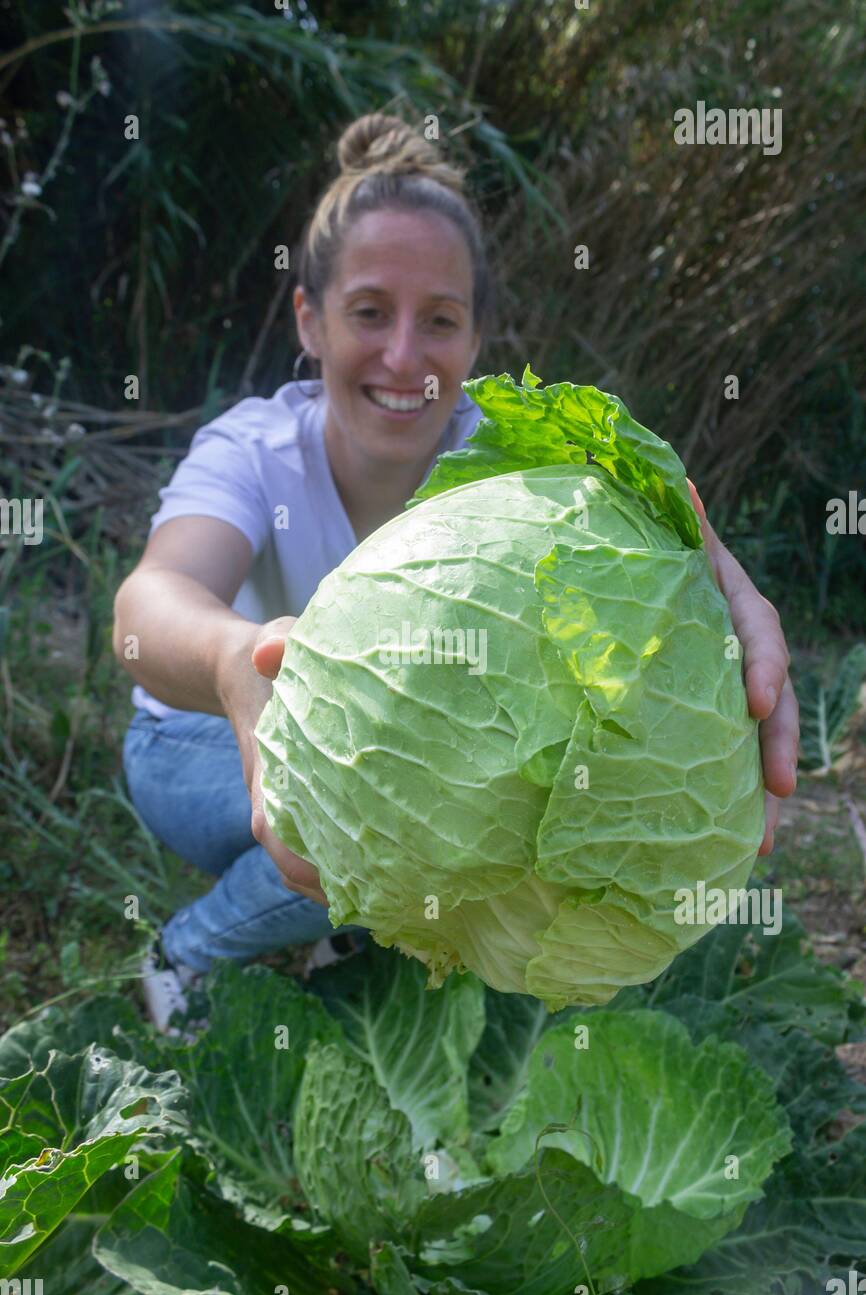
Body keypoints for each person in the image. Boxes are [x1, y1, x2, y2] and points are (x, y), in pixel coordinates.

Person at [113, 112, 800, 1036]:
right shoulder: (254, 449)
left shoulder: (525, 447)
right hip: (191, 741)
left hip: (383, 749)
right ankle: (185, 953)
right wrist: (238, 666)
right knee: (387, 817)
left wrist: (728, 588)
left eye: (439, 320)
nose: (404, 356)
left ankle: (360, 927)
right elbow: (148, 603)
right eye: (368, 312)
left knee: (418, 815)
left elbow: (665, 508)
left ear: (476, 338)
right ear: (309, 319)